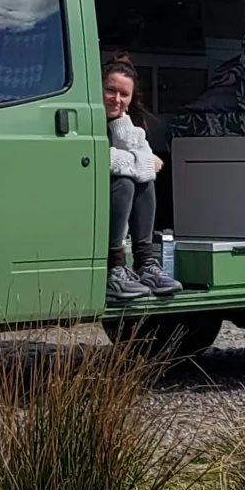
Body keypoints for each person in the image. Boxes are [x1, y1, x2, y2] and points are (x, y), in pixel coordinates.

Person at [102, 54, 182, 304]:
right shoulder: (83, 116)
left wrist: (120, 119)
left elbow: (145, 160)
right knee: (125, 181)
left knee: (143, 181)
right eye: (110, 91)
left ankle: (145, 263)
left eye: (124, 95)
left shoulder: (122, 120)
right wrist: (140, 163)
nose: (116, 99)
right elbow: (101, 158)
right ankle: (114, 267)